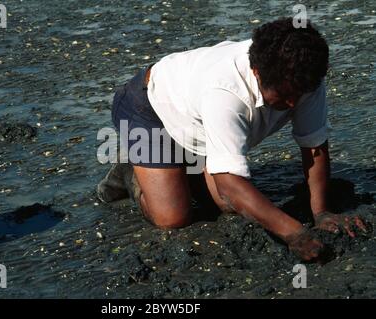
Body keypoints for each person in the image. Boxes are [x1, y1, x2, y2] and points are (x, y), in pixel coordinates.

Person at [96, 17, 367, 262]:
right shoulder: (225, 93)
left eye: (299, 94)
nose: (293, 103)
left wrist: (322, 213)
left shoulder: (303, 76)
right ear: (258, 74)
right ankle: (131, 171)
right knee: (173, 217)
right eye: (284, 96)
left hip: (198, 123)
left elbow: (314, 146)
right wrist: (295, 233)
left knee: (230, 206)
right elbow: (229, 184)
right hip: (149, 108)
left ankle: (177, 167)